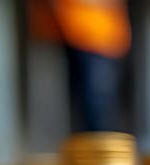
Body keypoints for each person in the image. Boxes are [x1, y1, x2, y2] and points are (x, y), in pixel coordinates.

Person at [33, 0, 131, 132]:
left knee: (97, 107)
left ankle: (100, 146)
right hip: (72, 33)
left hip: (97, 38)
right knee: (82, 107)